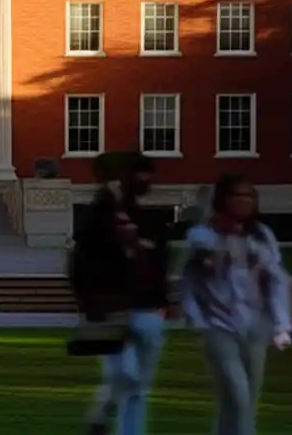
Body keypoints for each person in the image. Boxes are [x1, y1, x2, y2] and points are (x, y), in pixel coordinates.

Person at [181, 174, 292, 435]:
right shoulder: (206, 234)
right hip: (219, 324)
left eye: (249, 196)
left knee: (245, 400)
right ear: (223, 199)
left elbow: (276, 280)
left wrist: (280, 325)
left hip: (256, 325)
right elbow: (190, 277)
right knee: (238, 393)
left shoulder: (262, 235)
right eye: (237, 196)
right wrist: (195, 317)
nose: (244, 202)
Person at [73, 154, 169, 435]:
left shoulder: (150, 218)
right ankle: (102, 413)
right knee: (126, 375)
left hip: (149, 308)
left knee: (139, 387)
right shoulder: (100, 215)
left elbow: (158, 262)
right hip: (113, 306)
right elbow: (81, 261)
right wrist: (89, 303)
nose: (144, 181)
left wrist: (163, 301)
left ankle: (119, 425)